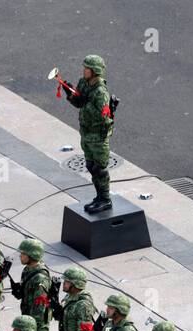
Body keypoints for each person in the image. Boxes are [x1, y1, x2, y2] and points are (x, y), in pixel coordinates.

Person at [63, 54, 114, 212]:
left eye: (87, 68)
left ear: (95, 71)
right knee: (90, 165)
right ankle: (99, 196)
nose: (84, 70)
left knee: (99, 168)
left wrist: (86, 104)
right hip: (86, 132)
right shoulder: (83, 83)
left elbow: (103, 115)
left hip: (98, 135)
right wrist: (70, 93)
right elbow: (79, 103)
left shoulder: (100, 92)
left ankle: (105, 199)